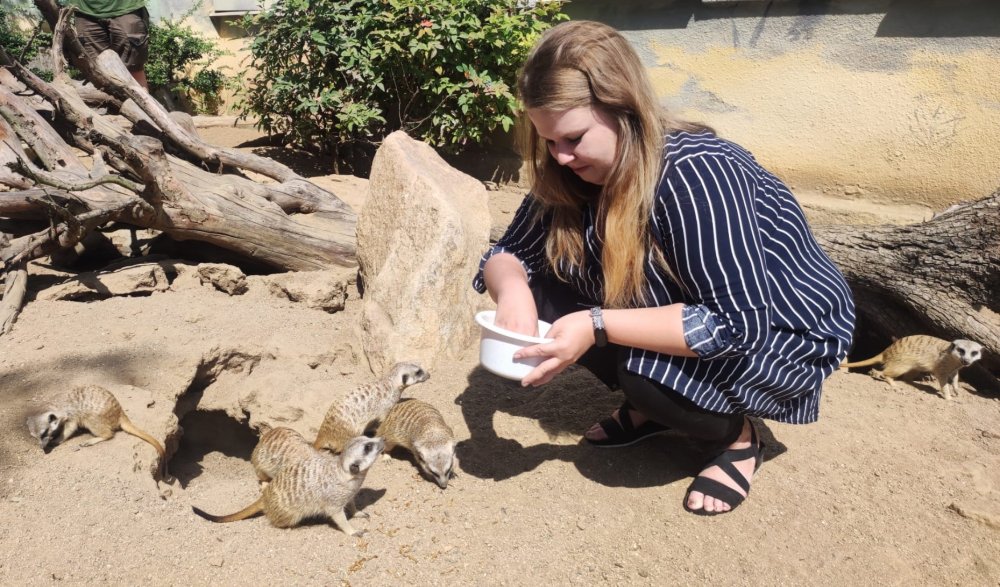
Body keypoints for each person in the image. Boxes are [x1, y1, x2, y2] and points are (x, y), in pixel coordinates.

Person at [472, 20, 855, 516]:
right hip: (686, 306)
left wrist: (596, 323)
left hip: (778, 325)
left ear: (623, 109)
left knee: (644, 371)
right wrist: (515, 293)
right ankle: (654, 409)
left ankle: (737, 439)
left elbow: (736, 325)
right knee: (542, 287)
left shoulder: (696, 171)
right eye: (547, 140)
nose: (560, 157)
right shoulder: (572, 169)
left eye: (573, 137)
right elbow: (507, 253)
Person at [64, 0, 150, 88]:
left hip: (125, 8)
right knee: (98, 73)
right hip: (85, 11)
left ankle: (143, 101)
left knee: (133, 71)